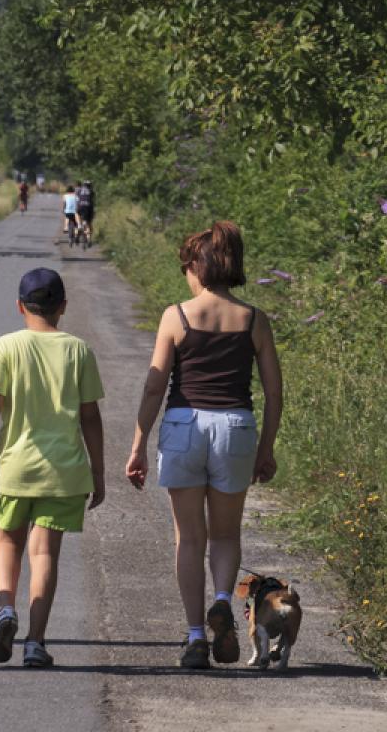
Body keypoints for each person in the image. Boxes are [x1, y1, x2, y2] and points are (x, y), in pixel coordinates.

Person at [124, 220, 282, 670]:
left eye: (187, 266)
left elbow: (155, 387)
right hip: (235, 426)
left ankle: (196, 637)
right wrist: (266, 448)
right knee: (226, 533)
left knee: (189, 537)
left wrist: (138, 444)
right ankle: (222, 601)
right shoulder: (254, 320)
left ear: (199, 266)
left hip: (184, 425)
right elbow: (274, 392)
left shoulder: (175, 316)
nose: (185, 275)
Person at [0, 268, 105, 668]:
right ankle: (35, 642)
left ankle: (6, 608)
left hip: (16, 468)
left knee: (8, 543)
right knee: (45, 554)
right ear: (63, 307)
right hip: (64, 471)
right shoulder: (78, 351)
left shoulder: (7, 346)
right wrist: (98, 472)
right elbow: (90, 416)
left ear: (19, 306)